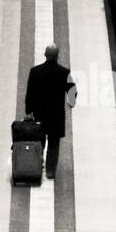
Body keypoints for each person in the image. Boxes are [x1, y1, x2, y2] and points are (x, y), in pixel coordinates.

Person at [24, 43, 77, 179]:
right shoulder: (64, 72)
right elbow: (72, 91)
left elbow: (30, 93)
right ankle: (50, 170)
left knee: (39, 141)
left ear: (45, 55)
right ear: (57, 56)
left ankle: (37, 166)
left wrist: (28, 110)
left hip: (39, 113)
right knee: (54, 143)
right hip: (56, 115)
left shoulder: (35, 71)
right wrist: (71, 102)